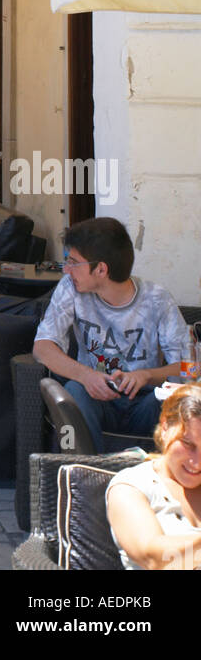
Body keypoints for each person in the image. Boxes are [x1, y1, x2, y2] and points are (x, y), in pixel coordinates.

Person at [33, 217, 188, 452]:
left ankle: (156, 478)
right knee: (74, 392)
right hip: (96, 399)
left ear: (101, 269)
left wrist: (147, 375)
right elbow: (42, 347)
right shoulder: (71, 289)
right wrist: (86, 376)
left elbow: (191, 368)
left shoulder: (157, 300)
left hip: (145, 403)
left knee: (173, 402)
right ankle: (87, 473)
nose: (66, 269)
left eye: (73, 262)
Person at [106, 384, 201, 569]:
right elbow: (153, 558)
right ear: (165, 426)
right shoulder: (131, 486)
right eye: (188, 444)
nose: (197, 463)